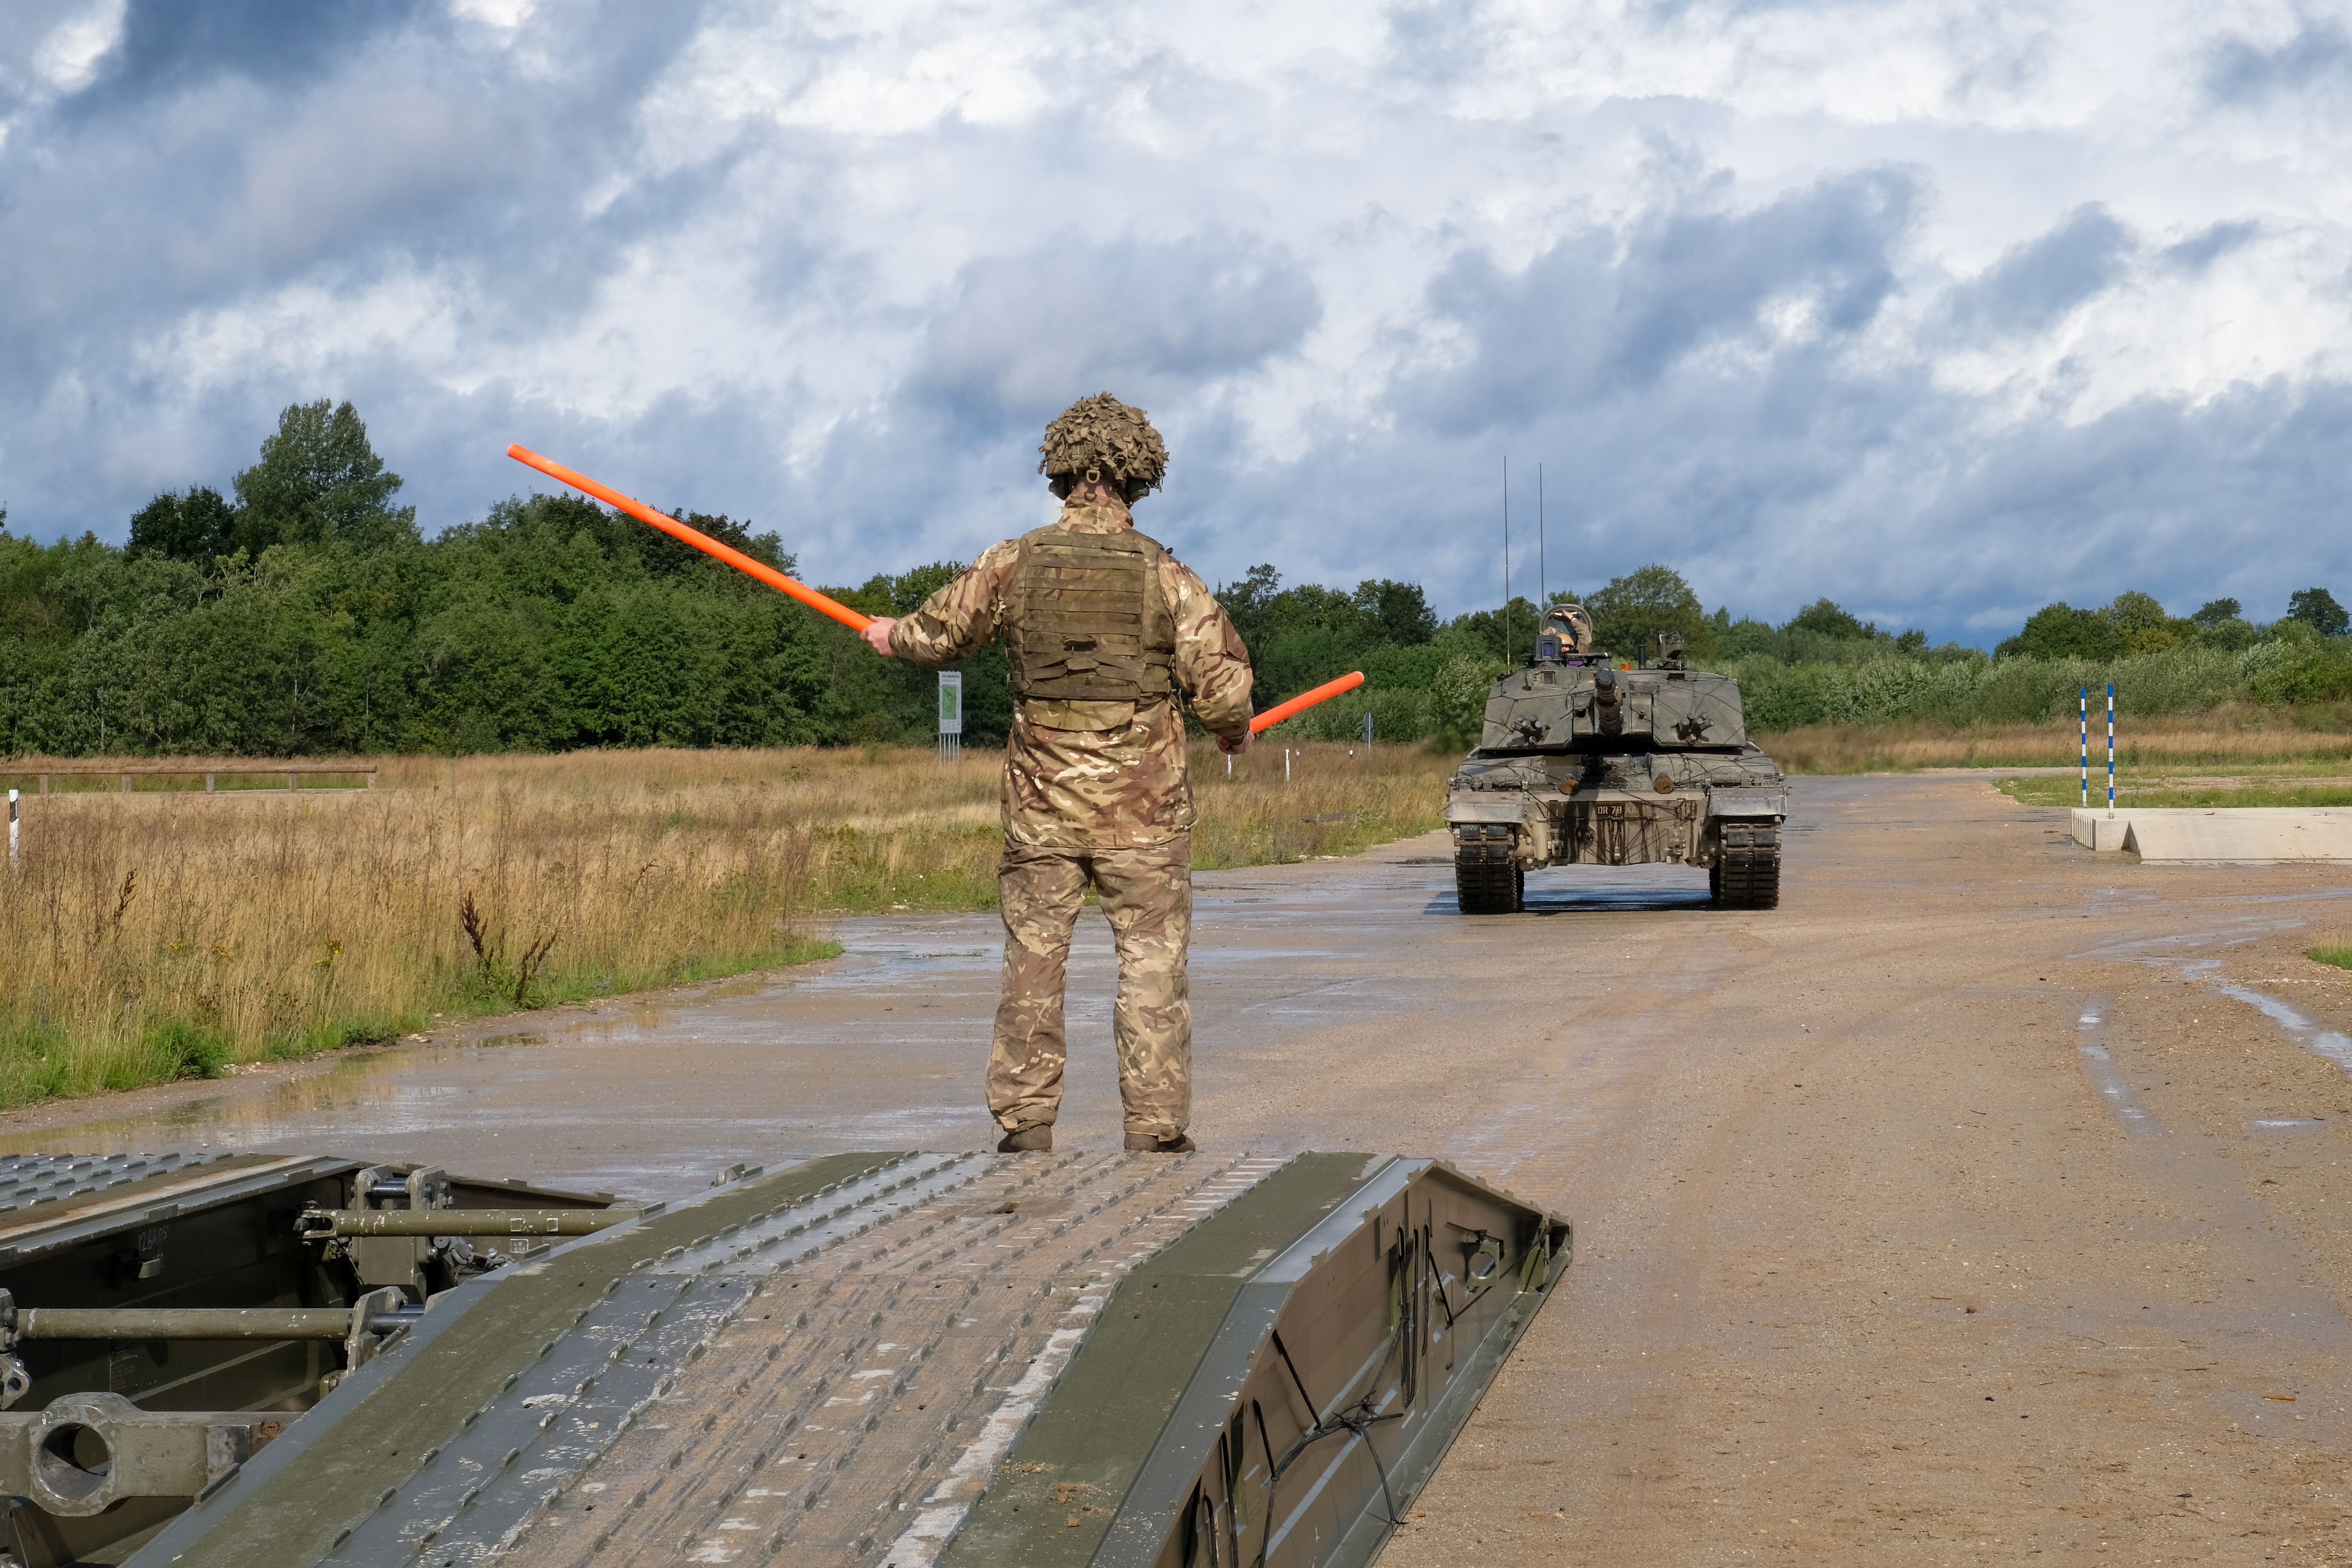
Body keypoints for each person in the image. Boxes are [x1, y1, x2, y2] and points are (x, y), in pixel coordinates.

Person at [860, 393, 1255, 1154]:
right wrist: (1232, 732)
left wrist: (889, 634)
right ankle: (1156, 1129)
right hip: (1144, 819)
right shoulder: (1167, 576)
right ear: (1139, 476)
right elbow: (1224, 689)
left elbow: (939, 631)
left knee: (1034, 963)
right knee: (1151, 966)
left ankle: (1025, 1124)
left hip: (1041, 812)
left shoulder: (1013, 562)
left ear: (1063, 471)